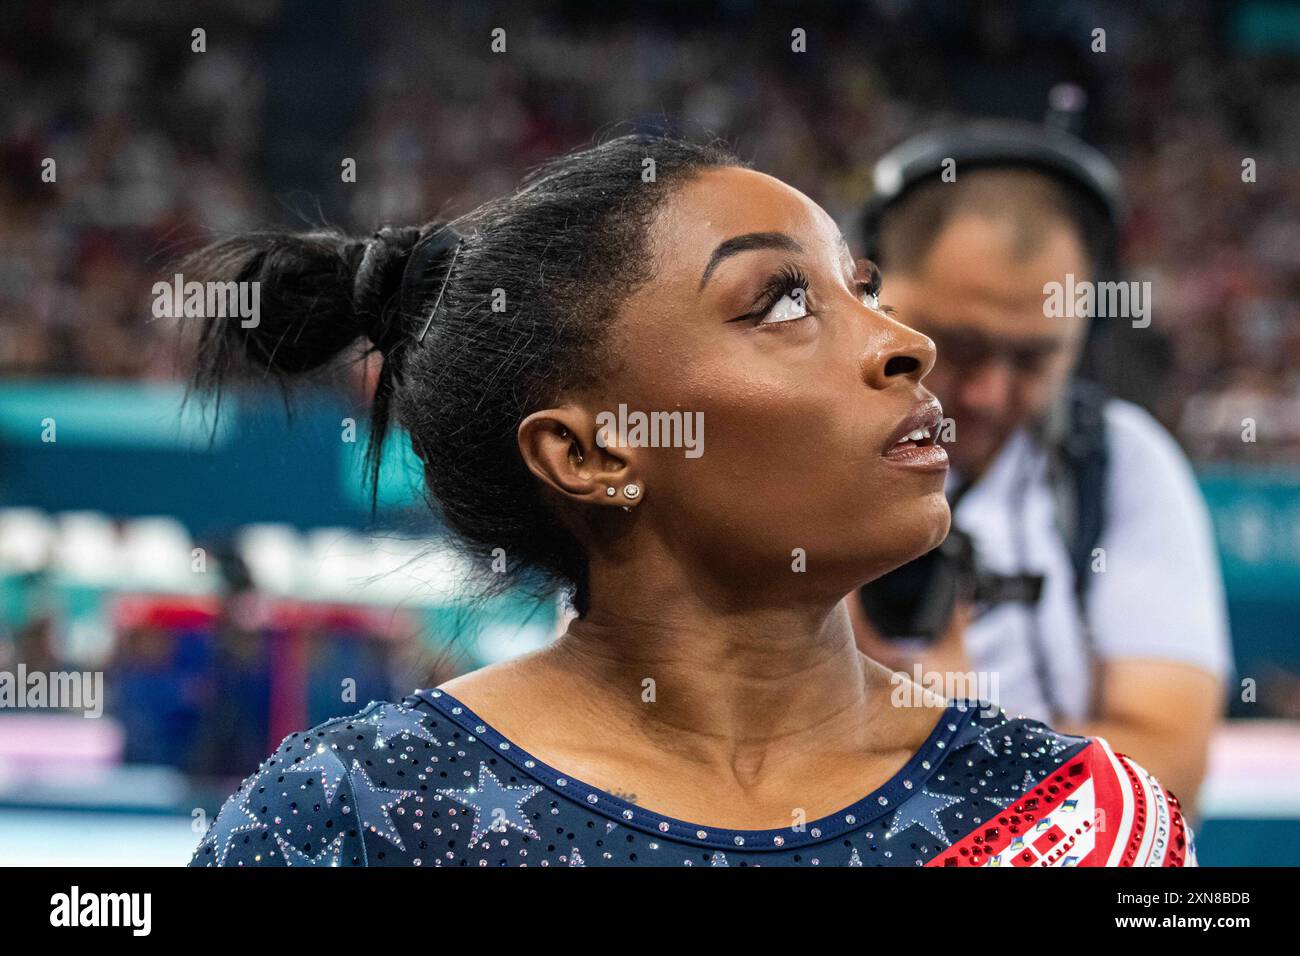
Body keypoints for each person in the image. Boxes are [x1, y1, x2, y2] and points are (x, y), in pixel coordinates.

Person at [187, 133, 1195, 867]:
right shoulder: (356, 814)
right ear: (588, 452)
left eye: (866, 288)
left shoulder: (1088, 826)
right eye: (784, 301)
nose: (904, 341)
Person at [853, 121, 1232, 810]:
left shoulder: (1118, 463)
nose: (990, 394)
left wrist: (954, 738)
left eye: (1034, 358)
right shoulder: (793, 452)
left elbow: (1173, 775)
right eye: (959, 347)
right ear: (869, 296)